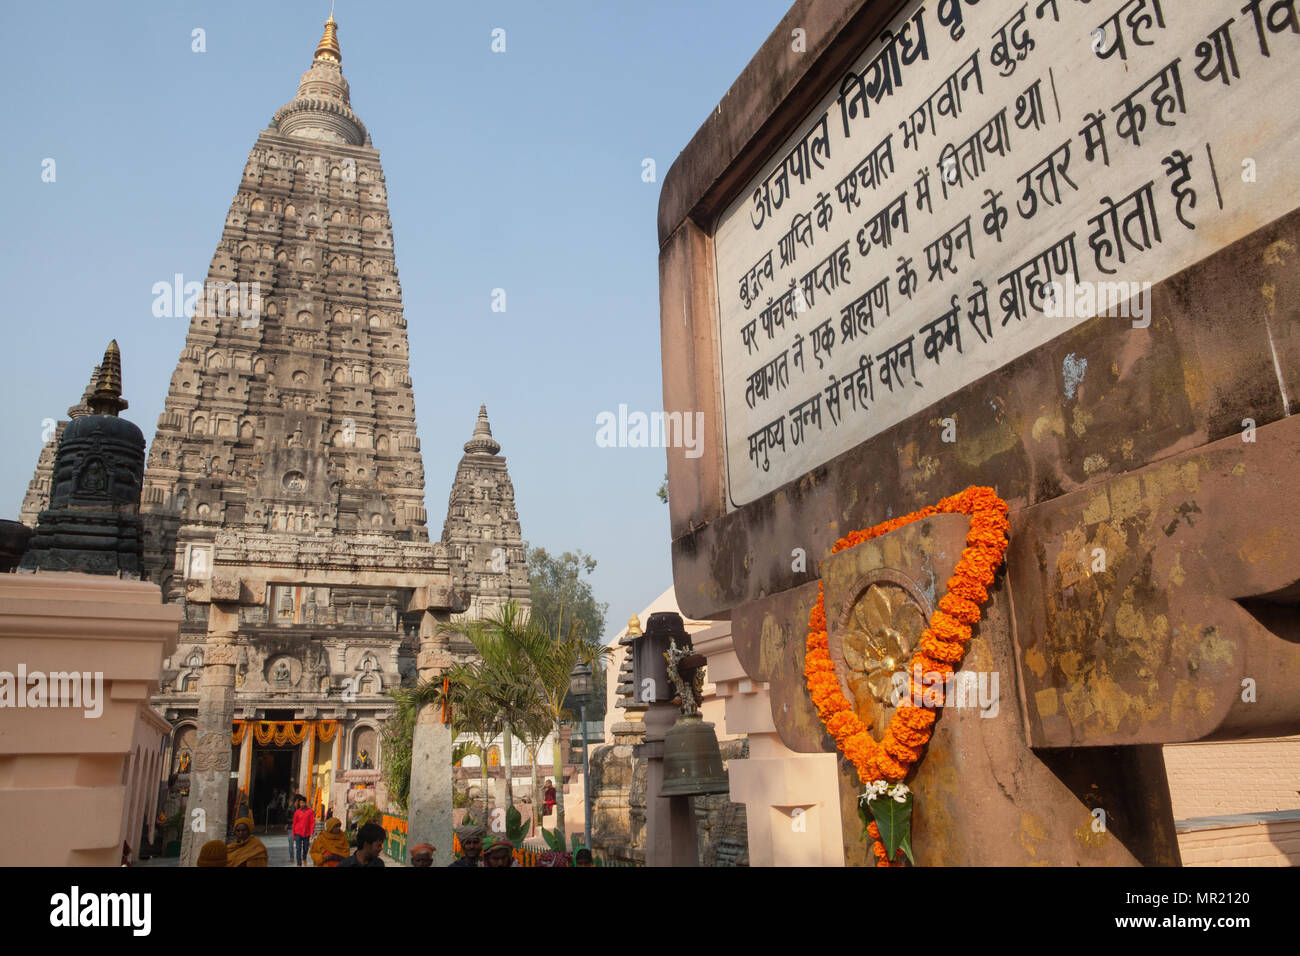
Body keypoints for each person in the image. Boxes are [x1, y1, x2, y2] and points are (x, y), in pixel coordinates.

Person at [289, 794, 315, 867]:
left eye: (303, 803)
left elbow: (312, 822)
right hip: (298, 833)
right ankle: (299, 864)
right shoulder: (297, 812)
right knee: (298, 848)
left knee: (306, 848)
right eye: (300, 803)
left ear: (305, 803)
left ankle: (304, 858)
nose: (301, 804)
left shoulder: (310, 812)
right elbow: (294, 823)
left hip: (306, 833)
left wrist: (311, 833)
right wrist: (293, 834)